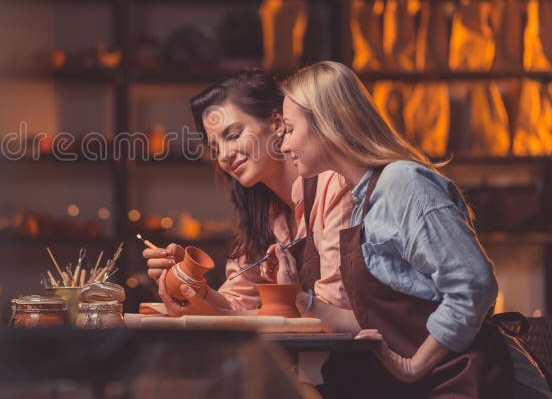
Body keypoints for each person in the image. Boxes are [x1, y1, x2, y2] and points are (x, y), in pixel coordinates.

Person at [278, 60, 550, 398]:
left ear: (325, 122)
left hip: (475, 381)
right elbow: (379, 324)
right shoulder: (361, 199)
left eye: (289, 129)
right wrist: (299, 300)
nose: (284, 145)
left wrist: (413, 366)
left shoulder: (403, 182)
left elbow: (474, 287)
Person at [143, 69, 353, 319]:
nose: (224, 155)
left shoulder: (334, 184)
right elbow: (235, 302)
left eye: (233, 136)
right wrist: (189, 280)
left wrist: (286, 299)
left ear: (277, 123)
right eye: (215, 148)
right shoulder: (264, 210)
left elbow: (335, 306)